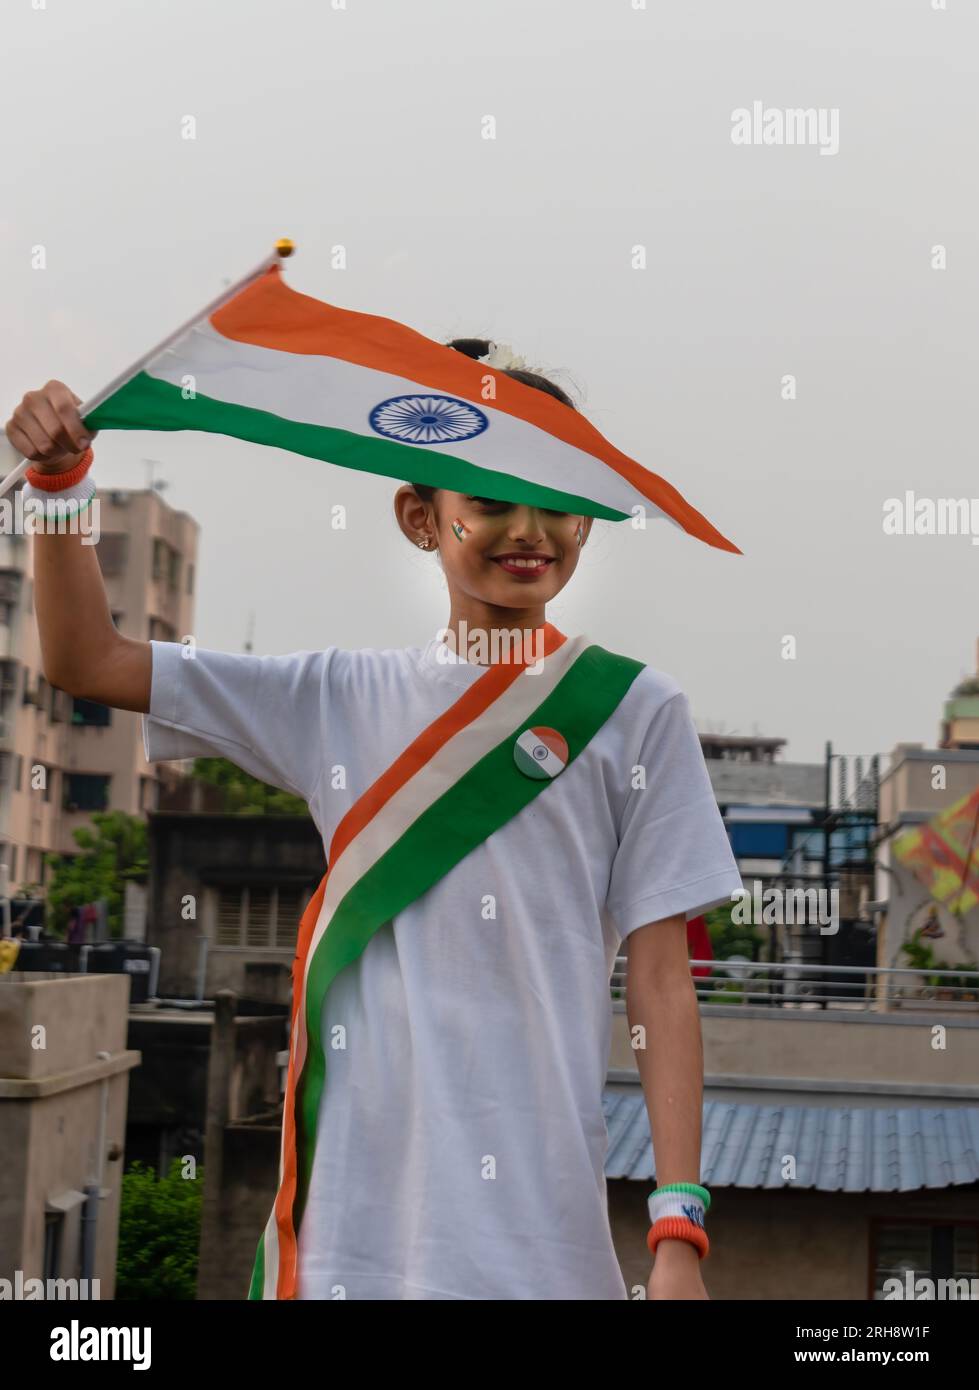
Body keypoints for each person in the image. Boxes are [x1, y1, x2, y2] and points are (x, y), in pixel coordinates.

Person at [7, 349, 743, 1302]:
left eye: (557, 496)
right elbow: (86, 659)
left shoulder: (633, 709)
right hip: (348, 1238)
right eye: (490, 495)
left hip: (540, 1237)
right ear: (420, 517)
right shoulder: (335, 697)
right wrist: (62, 489)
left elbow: (659, 981)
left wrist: (676, 1228)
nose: (529, 530)